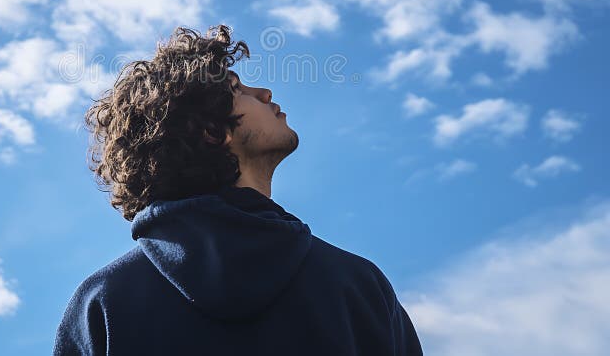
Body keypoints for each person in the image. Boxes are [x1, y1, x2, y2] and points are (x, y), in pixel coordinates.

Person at [53, 25, 423, 355]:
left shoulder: (103, 303)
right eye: (237, 89)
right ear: (212, 132)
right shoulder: (355, 285)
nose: (264, 92)